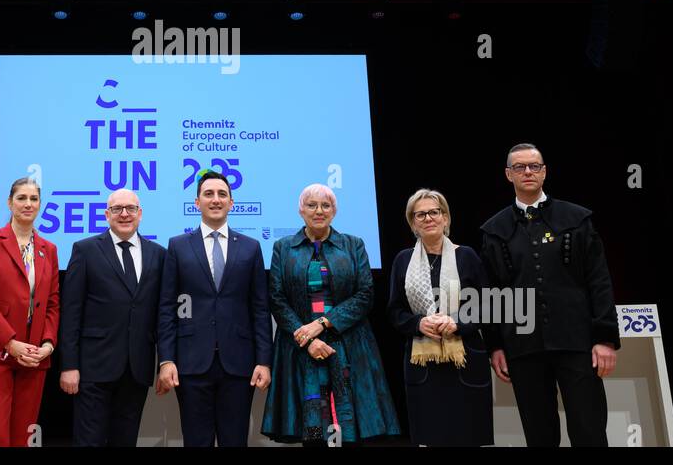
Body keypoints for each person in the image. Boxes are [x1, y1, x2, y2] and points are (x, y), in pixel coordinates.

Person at [480, 143, 620, 447]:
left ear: (544, 172)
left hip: (577, 342)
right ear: (508, 174)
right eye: (520, 167)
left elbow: (599, 280)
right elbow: (491, 293)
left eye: (534, 166)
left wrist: (605, 338)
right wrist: (495, 346)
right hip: (523, 346)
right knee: (539, 434)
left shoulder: (578, 219)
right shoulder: (494, 230)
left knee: (589, 429)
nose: (528, 172)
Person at [263, 184, 399, 445]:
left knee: (347, 425)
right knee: (313, 425)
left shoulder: (353, 245)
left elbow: (365, 295)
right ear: (301, 210)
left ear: (334, 211)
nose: (319, 211)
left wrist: (324, 323)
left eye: (325, 205)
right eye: (312, 205)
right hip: (302, 348)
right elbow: (277, 300)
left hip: (347, 345)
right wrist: (309, 338)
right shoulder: (283, 248)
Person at [156, 170, 271, 447]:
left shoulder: (251, 247)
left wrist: (264, 361)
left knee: (235, 441)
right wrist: (166, 359)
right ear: (197, 202)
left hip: (239, 364)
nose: (216, 199)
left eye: (222, 194)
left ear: (232, 203)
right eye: (209, 194)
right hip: (191, 364)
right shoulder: (178, 246)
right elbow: (167, 308)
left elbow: (259, 308)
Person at [59, 189, 165, 446]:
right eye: (117, 209)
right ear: (107, 215)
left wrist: (165, 362)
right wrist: (69, 365)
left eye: (130, 208)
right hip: (92, 369)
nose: (124, 214)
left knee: (125, 441)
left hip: (137, 368)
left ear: (140, 214)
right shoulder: (85, 250)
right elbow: (71, 312)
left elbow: (162, 314)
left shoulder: (159, 254)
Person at [387, 189, 493, 446]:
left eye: (434, 212)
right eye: (420, 214)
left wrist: (457, 322)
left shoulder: (466, 255)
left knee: (468, 435)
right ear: (413, 223)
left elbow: (488, 305)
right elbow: (395, 311)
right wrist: (418, 323)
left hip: (465, 359)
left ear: (445, 218)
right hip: (424, 365)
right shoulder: (403, 260)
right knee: (431, 436)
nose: (428, 218)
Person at [0, 177, 61, 447]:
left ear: (40, 204)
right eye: (21, 198)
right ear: (10, 203)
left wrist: (48, 344)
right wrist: (10, 342)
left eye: (33, 199)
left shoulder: (49, 249)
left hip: (34, 356)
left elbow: (53, 303)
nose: (28, 204)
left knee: (24, 436)